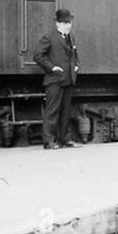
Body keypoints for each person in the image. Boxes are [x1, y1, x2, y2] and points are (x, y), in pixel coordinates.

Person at [35, 8, 81, 148]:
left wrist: (77, 65)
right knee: (52, 111)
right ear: (58, 24)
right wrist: (52, 67)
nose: (68, 25)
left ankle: (65, 139)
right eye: (65, 23)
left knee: (66, 112)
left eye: (69, 22)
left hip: (68, 79)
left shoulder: (70, 37)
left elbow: (75, 55)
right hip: (54, 80)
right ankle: (49, 141)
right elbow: (38, 55)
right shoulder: (49, 37)